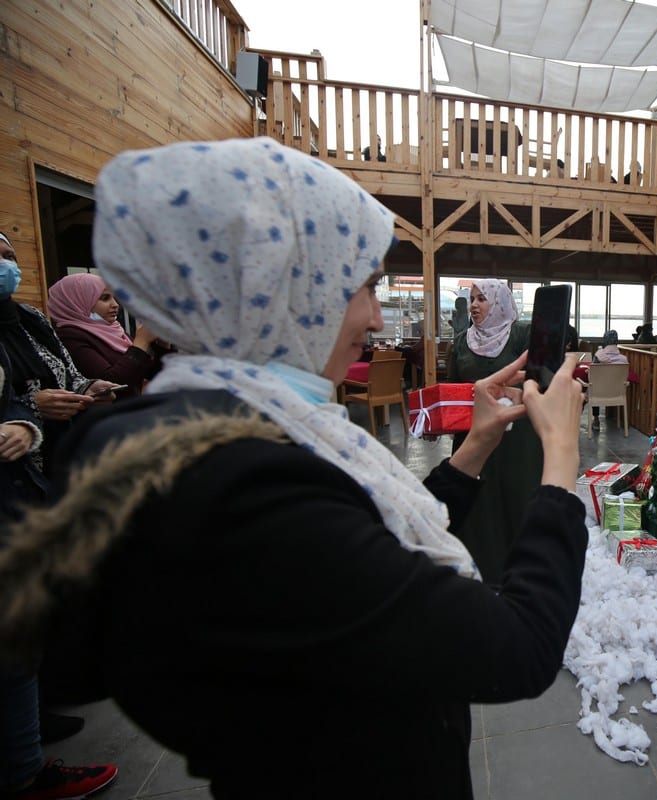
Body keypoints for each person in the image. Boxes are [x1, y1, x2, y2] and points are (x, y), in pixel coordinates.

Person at [0, 137, 586, 799]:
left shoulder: (213, 427)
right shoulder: (246, 491)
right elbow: (520, 651)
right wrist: (562, 459)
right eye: (361, 287)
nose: (372, 315)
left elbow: (361, 543)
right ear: (284, 291)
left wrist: (473, 447)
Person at [0, 348, 117, 800]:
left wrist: (21, 425)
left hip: (17, 497)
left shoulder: (23, 323)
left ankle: (26, 766)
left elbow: (9, 395)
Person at [446, 279, 545, 581]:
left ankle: (523, 571)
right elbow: (452, 392)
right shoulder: (462, 342)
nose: (474, 304)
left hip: (519, 440)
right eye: (472, 299)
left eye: (482, 299)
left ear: (500, 302)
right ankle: (483, 572)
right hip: (475, 437)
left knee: (519, 498)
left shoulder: (521, 334)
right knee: (479, 505)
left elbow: (544, 369)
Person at [0, 234, 120, 478]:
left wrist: (88, 388)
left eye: (9, 257)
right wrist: (32, 408)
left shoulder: (32, 319)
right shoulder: (75, 334)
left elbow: (67, 373)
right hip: (16, 474)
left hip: (62, 456)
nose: (5, 265)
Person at [47, 273, 164, 398]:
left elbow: (153, 373)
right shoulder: (70, 337)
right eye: (104, 298)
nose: (115, 304)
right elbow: (111, 385)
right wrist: (141, 342)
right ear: (79, 301)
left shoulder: (114, 331)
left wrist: (162, 345)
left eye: (114, 298)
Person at [587, 330, 629, 431]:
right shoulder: (624, 360)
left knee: (593, 386)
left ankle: (596, 419)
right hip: (618, 394)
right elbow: (625, 378)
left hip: (599, 393)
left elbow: (592, 376)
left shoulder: (598, 356)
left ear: (604, 341)